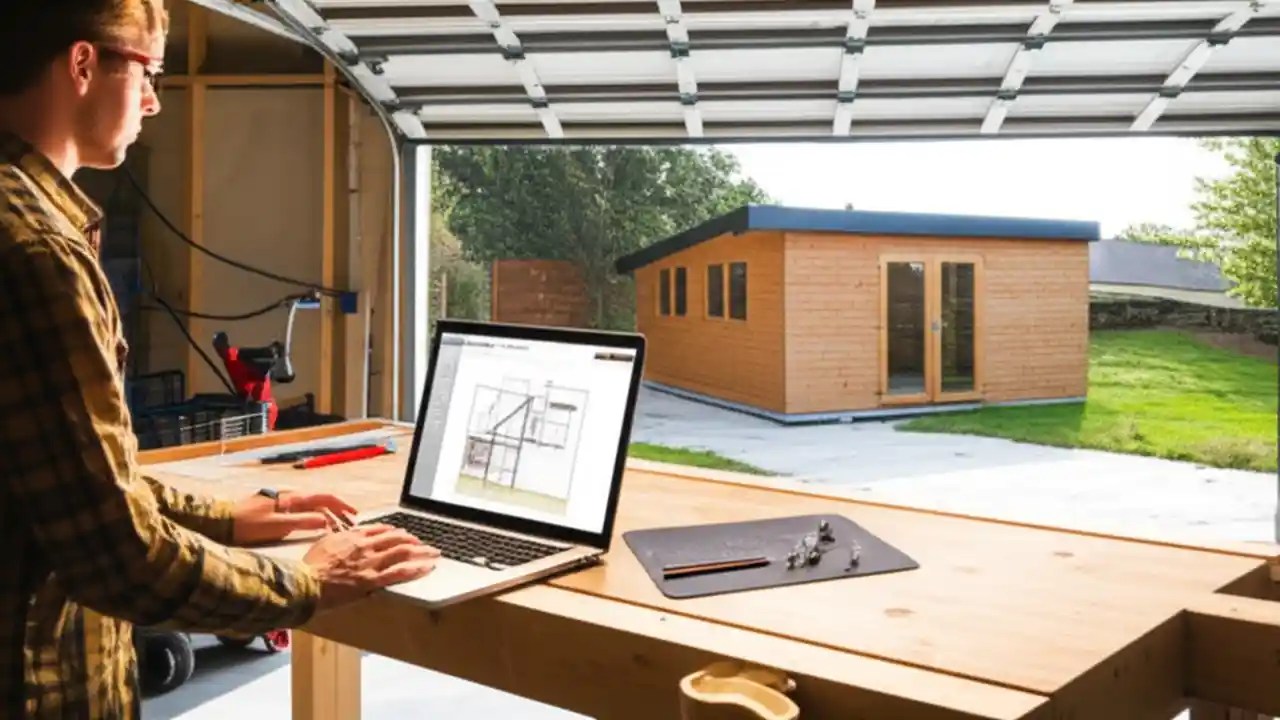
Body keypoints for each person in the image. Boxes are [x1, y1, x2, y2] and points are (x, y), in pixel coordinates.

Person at [0, 2, 439, 717]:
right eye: (149, 73)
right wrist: (308, 582)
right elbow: (117, 554)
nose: (153, 102)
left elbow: (76, 481)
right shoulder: (37, 254)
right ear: (82, 64)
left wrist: (232, 518)